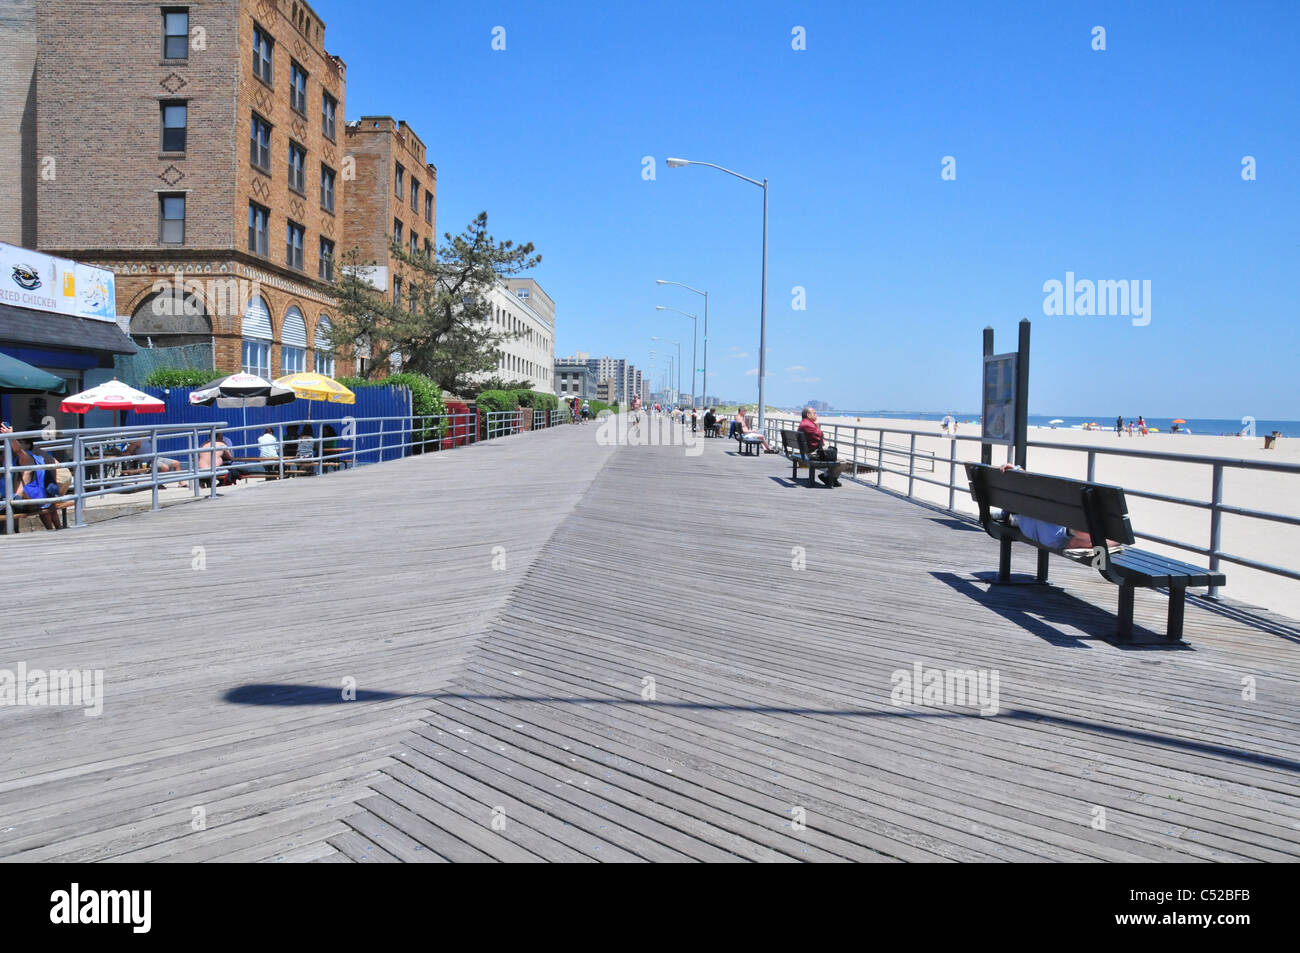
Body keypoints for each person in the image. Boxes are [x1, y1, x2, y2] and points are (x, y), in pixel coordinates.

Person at [998, 464, 1120, 551]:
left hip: (1030, 526)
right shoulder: (1059, 537)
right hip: (1047, 534)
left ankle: (1012, 517)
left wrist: (1017, 470)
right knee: (1088, 538)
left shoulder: (1032, 503)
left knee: (1078, 531)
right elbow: (1076, 542)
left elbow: (1029, 484)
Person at [798, 406, 848, 487]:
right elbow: (822, 441)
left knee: (834, 455)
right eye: (814, 413)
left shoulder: (803, 423)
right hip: (814, 454)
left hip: (808, 452)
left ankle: (828, 477)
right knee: (843, 461)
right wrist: (817, 426)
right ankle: (829, 477)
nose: (816, 415)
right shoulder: (808, 425)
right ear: (808, 415)